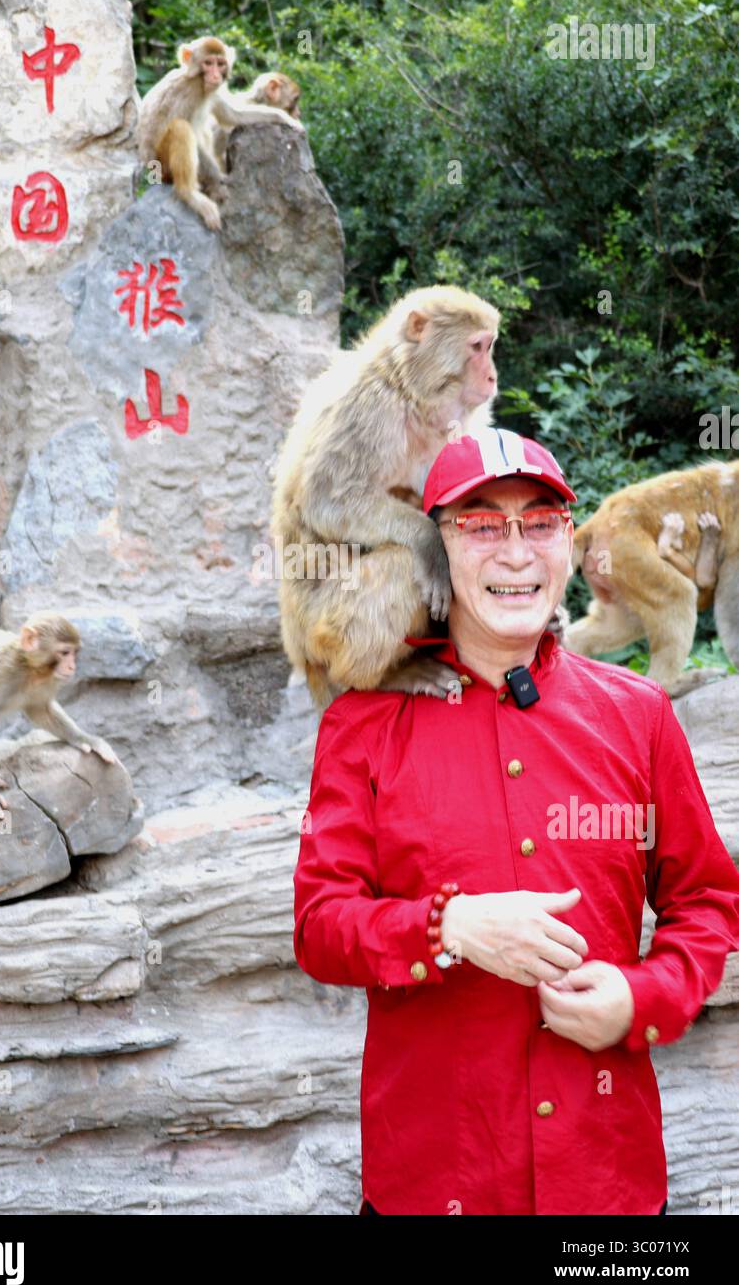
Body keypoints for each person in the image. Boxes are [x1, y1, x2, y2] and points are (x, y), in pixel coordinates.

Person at [292, 429, 739, 1216]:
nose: (514, 553)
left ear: (569, 541)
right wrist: (448, 928)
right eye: (480, 525)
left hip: (606, 1185)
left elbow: (707, 902)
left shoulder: (638, 716)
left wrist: (645, 998)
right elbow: (321, 929)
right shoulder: (362, 726)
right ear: (438, 549)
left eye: (538, 523)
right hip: (435, 1181)